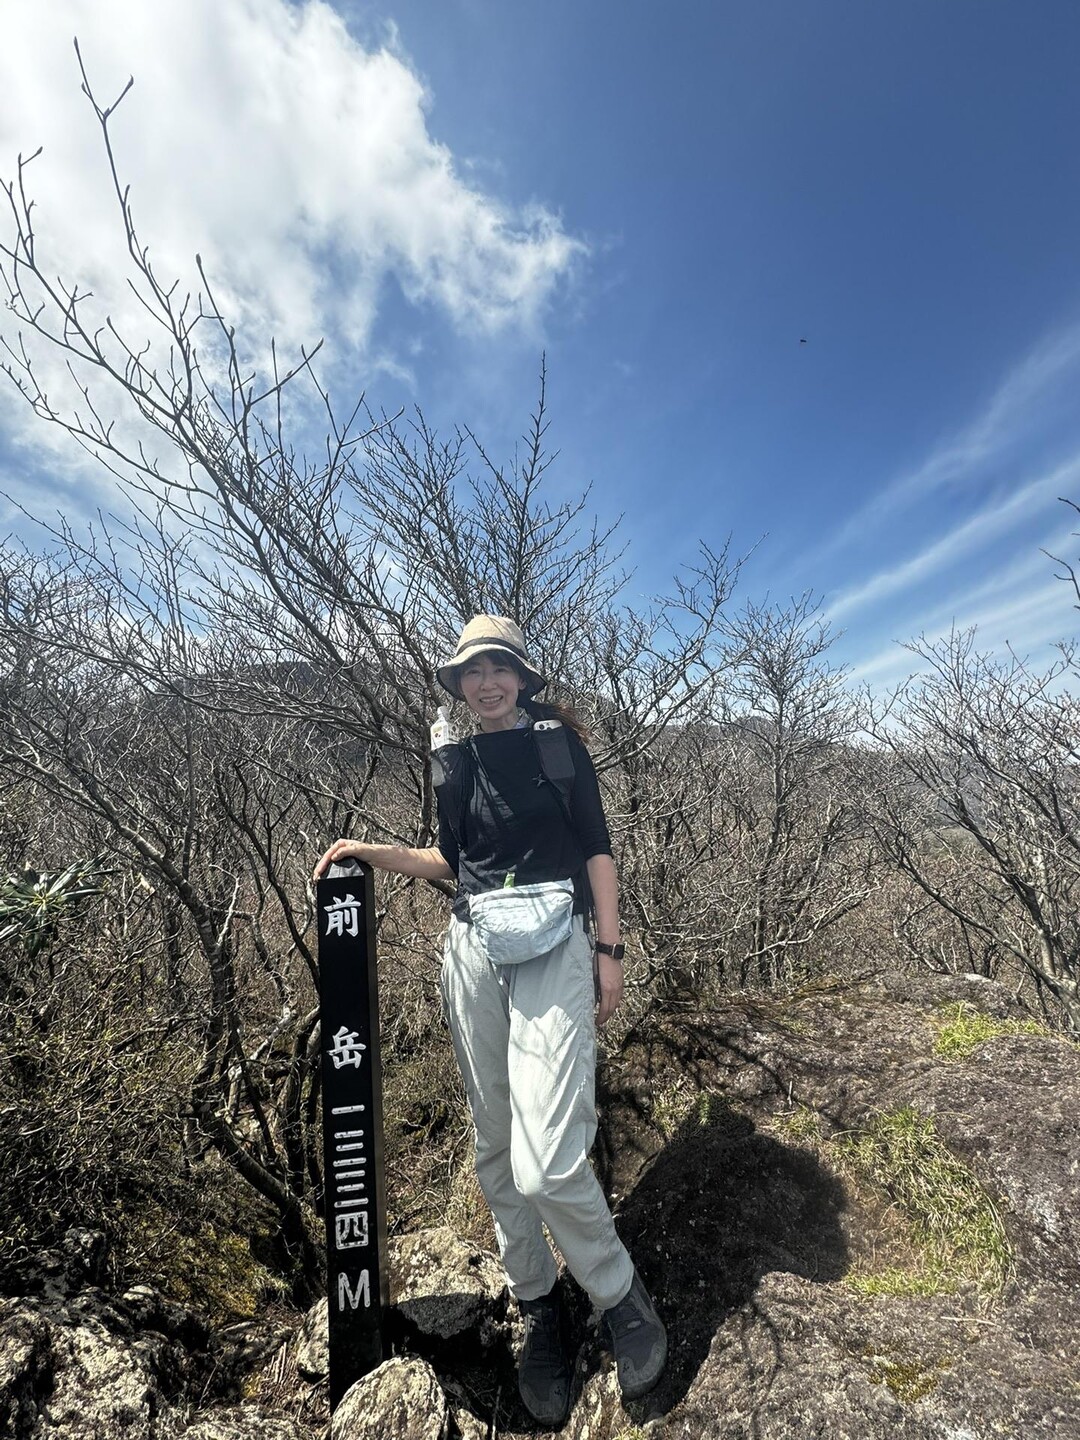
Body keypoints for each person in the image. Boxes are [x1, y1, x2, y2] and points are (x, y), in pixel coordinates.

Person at [313, 615, 667, 1425]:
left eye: (498, 667)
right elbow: (456, 862)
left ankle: (616, 1291)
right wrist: (370, 850)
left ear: (520, 675)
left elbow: (597, 850)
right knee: (497, 1145)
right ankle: (539, 1303)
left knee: (548, 1159)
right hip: (474, 947)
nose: (486, 682)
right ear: (461, 685)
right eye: (473, 672)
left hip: (556, 946)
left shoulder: (556, 747)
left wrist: (609, 950)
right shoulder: (455, 760)